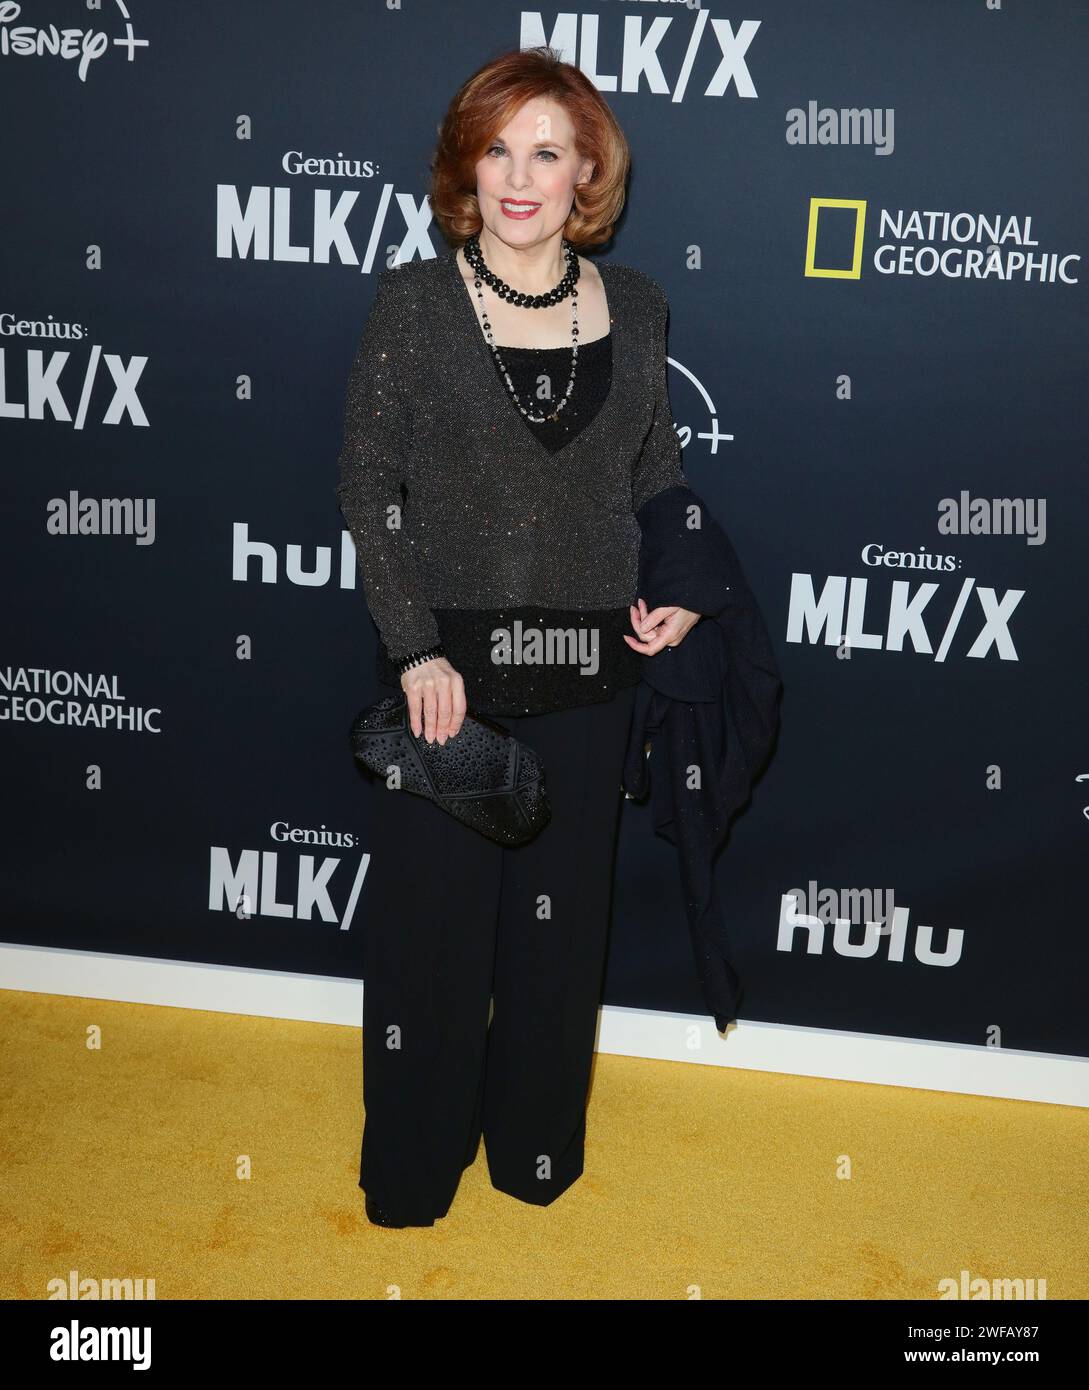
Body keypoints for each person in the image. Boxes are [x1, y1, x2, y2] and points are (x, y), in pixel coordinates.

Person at [336, 46, 702, 1227]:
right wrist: (414, 649)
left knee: (560, 940)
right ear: (466, 166)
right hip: (453, 680)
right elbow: (366, 484)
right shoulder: (413, 305)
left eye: (548, 149)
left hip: (593, 673)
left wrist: (681, 585)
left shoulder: (637, 307)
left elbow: (656, 473)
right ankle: (412, 1166)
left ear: (589, 168)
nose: (520, 175)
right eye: (497, 148)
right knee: (430, 944)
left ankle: (535, 1152)